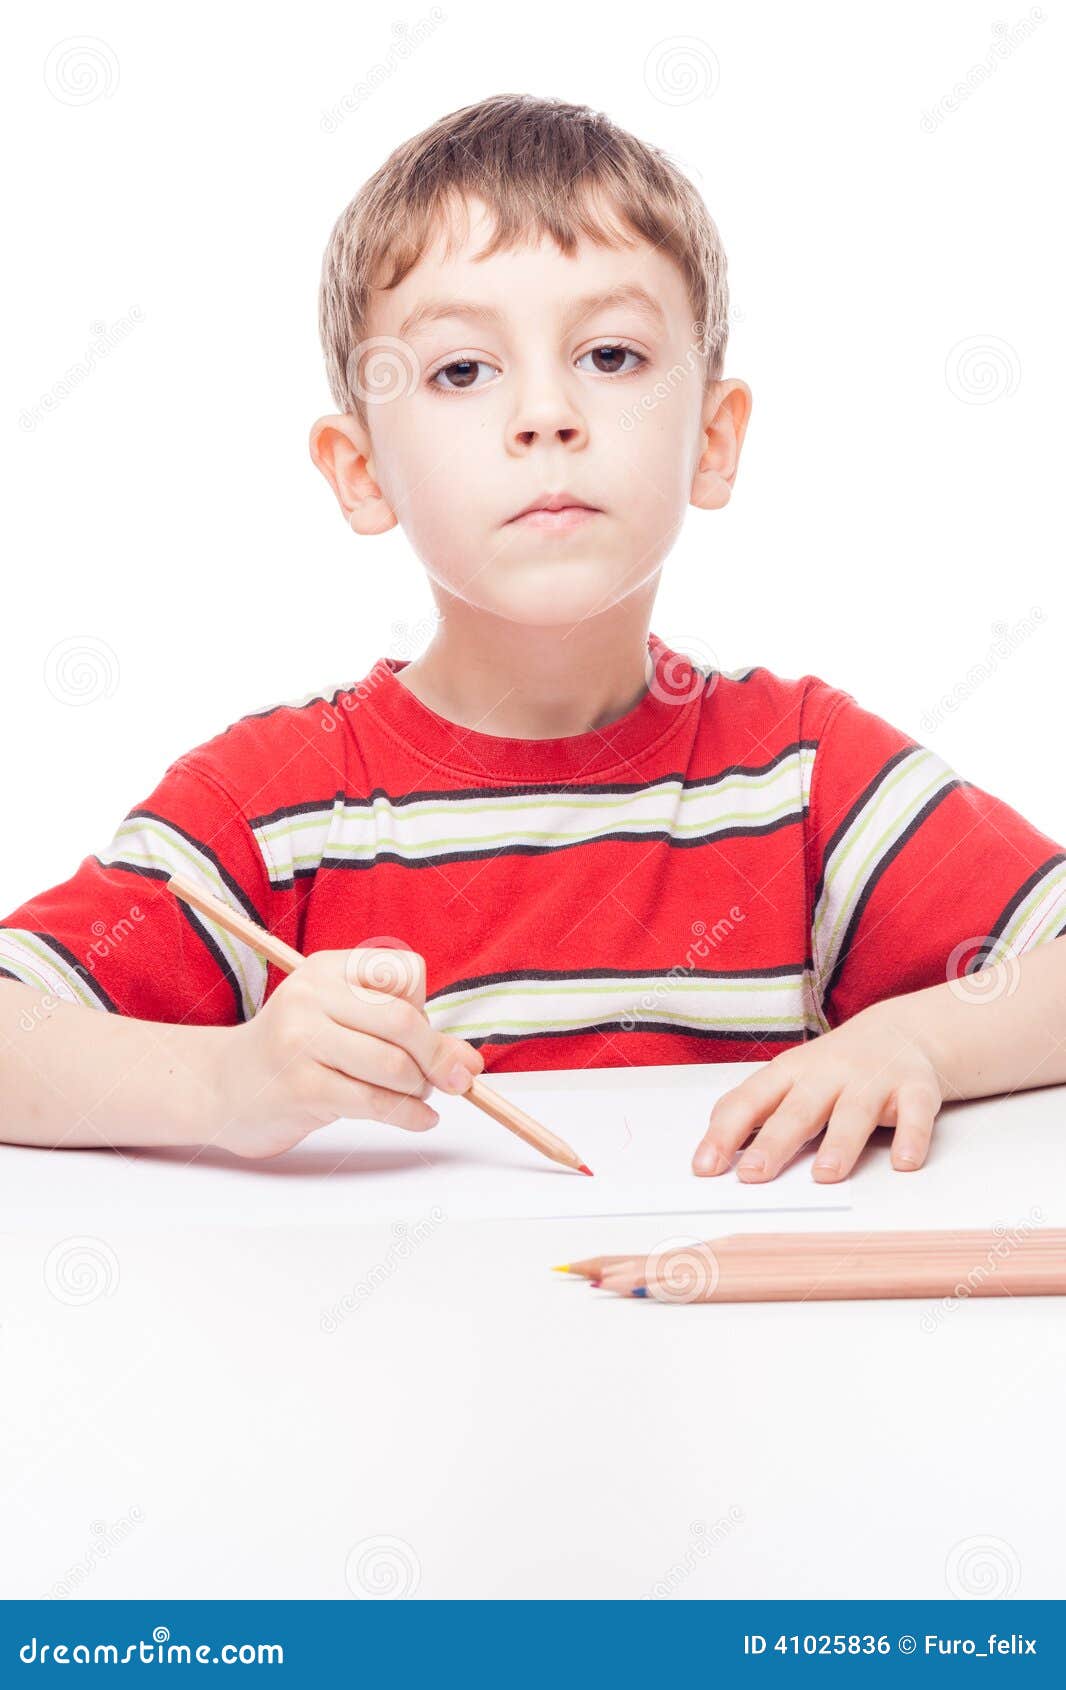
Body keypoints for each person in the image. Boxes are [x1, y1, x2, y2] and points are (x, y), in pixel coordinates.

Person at [3, 93, 1065, 1182]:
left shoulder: (798, 775)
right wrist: (228, 1084)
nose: (546, 415)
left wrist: (917, 1039)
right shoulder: (275, 807)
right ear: (361, 472)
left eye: (611, 355)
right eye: (462, 370)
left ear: (712, 439)